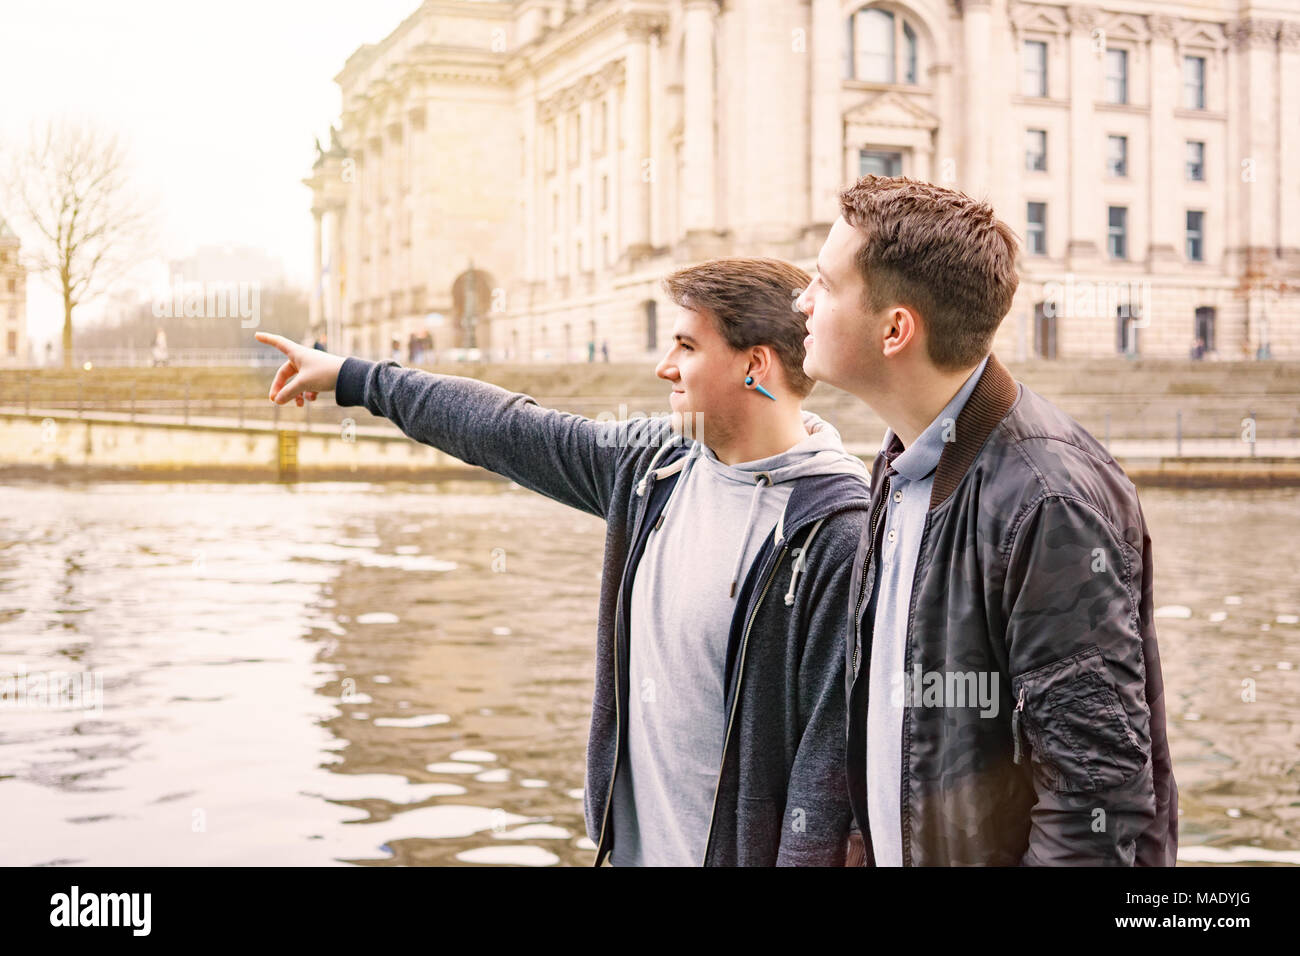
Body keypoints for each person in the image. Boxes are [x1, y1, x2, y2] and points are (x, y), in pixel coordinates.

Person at [256, 257, 872, 866]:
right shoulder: (652, 467)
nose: (664, 368)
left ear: (755, 366)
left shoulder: (835, 535)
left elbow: (824, 787)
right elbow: (507, 429)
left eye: (686, 346)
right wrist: (354, 379)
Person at [796, 175, 1177, 866]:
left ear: (895, 329)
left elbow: (1096, 799)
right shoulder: (903, 459)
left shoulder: (1048, 500)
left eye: (823, 284)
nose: (803, 301)